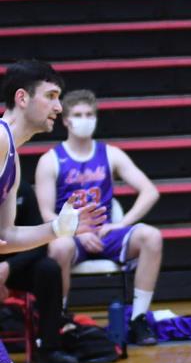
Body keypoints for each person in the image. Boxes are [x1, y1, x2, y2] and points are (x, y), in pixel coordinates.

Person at [0, 60, 106, 363]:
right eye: (51, 96)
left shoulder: (11, 161)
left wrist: (60, 228)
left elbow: (7, 235)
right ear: (22, 98)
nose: (59, 108)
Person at [35, 90, 166, 346]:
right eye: (78, 115)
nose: (85, 119)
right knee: (58, 246)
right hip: (71, 236)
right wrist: (76, 234)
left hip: (105, 232)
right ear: (66, 120)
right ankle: (59, 319)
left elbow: (150, 191)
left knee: (152, 236)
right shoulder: (50, 160)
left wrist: (122, 224)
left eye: (89, 114)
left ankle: (138, 319)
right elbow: (46, 213)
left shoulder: (111, 154)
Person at [0, 178, 77, 363]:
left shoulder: (21, 189)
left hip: (15, 266)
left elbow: (39, 246)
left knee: (49, 269)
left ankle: (49, 349)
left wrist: (9, 267)